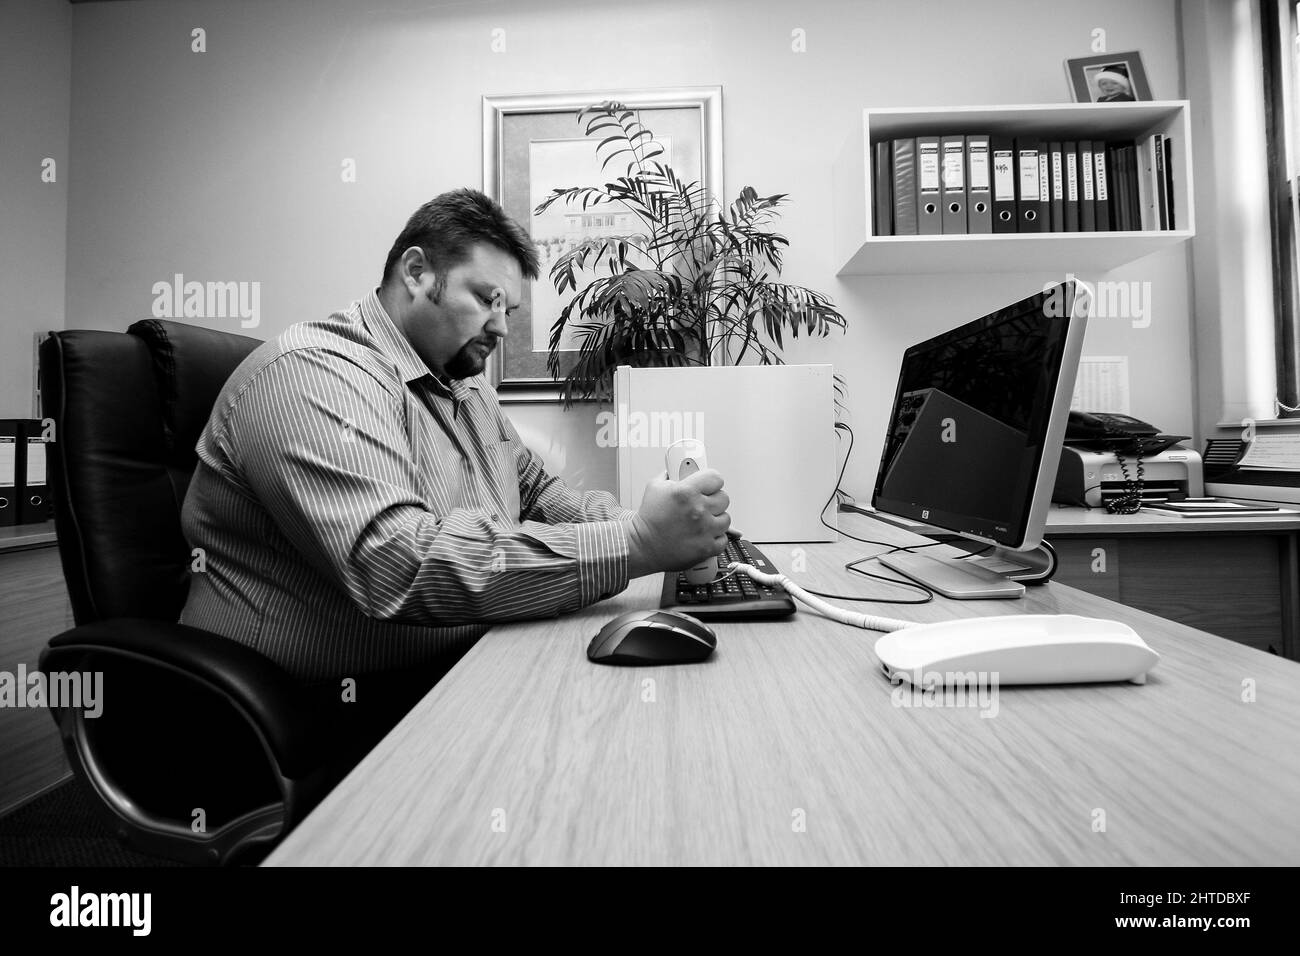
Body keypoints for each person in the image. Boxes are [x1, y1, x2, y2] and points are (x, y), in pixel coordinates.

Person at [179, 188, 730, 744]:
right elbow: (400, 566)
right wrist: (635, 542)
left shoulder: (465, 389)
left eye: (508, 310)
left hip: (463, 665)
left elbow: (541, 495)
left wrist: (666, 525)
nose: (501, 328)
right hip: (313, 711)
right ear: (417, 272)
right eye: (486, 298)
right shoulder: (312, 376)